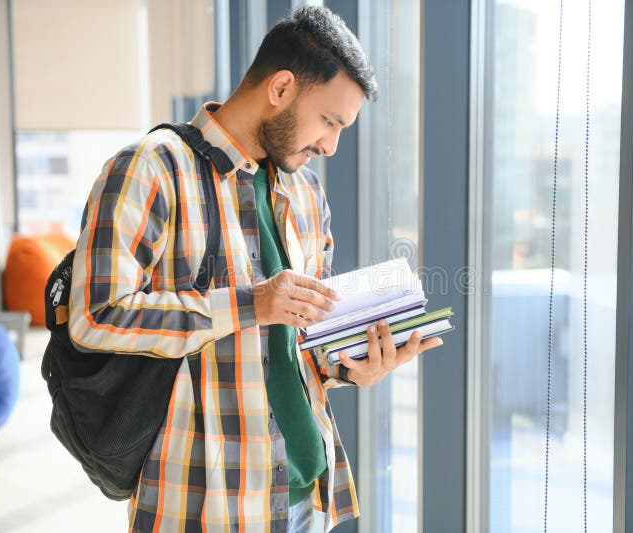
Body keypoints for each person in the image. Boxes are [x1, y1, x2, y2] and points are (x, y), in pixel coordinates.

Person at [67, 6, 443, 532]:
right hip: (204, 506)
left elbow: (297, 348)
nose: (331, 145)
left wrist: (353, 365)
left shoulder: (306, 193)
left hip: (306, 497)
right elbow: (94, 315)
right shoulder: (152, 167)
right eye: (329, 121)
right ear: (282, 87)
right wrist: (250, 303)